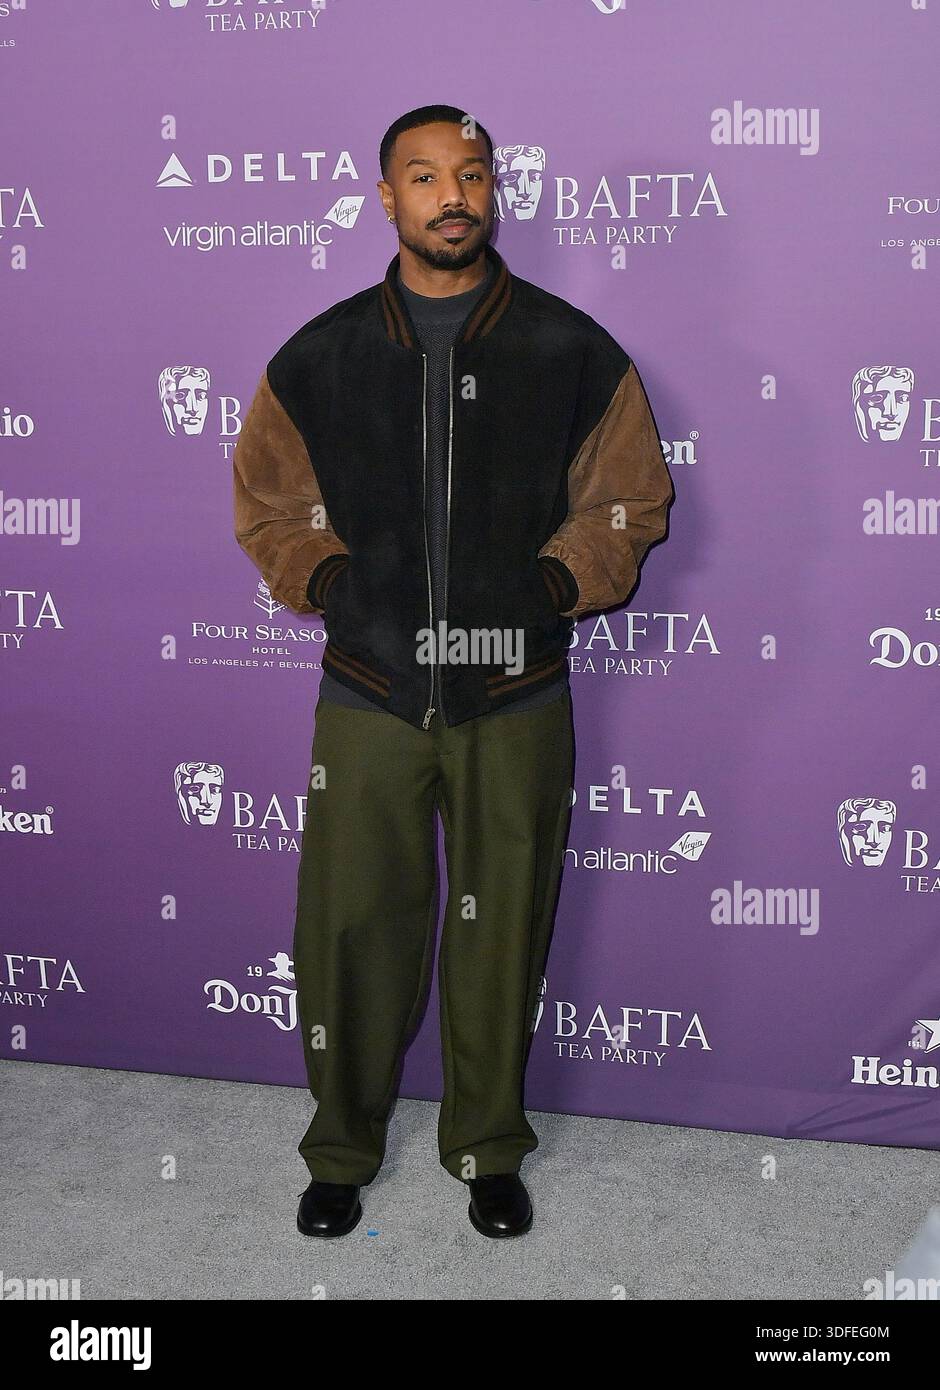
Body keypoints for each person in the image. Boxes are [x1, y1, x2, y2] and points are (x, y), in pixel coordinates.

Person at [233, 104, 673, 1239]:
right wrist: (339, 593)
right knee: (350, 929)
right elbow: (269, 505)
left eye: (468, 173)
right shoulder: (319, 353)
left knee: (502, 929)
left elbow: (626, 504)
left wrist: (551, 591)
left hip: (514, 694)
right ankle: (340, 1147)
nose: (450, 195)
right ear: (387, 198)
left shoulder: (572, 350)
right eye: (422, 177)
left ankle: (487, 1147)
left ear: (494, 189)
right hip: (369, 695)